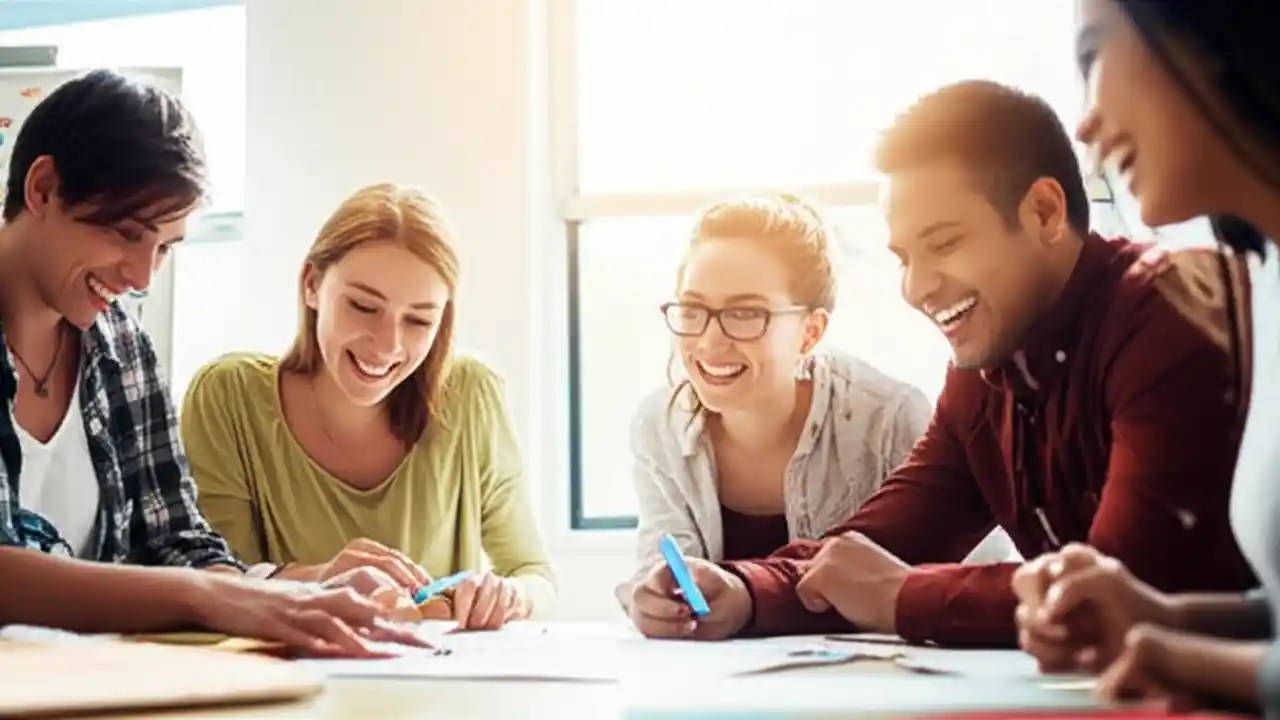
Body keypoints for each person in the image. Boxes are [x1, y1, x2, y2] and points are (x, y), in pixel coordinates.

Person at [628, 80, 1256, 647]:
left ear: (1044, 212)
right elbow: (874, 544)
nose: (917, 287)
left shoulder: (1164, 308)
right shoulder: (981, 376)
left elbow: (1126, 585)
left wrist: (902, 597)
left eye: (945, 243)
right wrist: (741, 591)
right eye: (903, 257)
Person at [0, 70, 422, 657]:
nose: (144, 277)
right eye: (127, 233)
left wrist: (298, 589)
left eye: (166, 248)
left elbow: (178, 544)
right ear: (43, 188)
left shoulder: (124, 352)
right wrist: (210, 596)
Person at [1013, 0, 1280, 713]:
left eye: (1093, 55)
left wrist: (1185, 660)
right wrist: (1154, 614)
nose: (1085, 124)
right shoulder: (1270, 278)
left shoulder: (1162, 313)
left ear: (1205, 27)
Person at [181, 182, 556, 630]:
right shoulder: (228, 397)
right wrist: (319, 581)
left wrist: (511, 596)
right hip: (291, 687)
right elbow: (216, 582)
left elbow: (535, 576)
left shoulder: (473, 394)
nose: (388, 345)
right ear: (312, 285)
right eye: (363, 306)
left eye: (419, 319)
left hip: (438, 686)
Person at [617, 195, 936, 612]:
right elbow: (659, 567)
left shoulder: (889, 419)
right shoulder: (659, 425)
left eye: (746, 313)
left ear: (810, 332)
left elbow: (960, 575)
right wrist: (657, 599)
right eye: (693, 309)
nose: (710, 342)